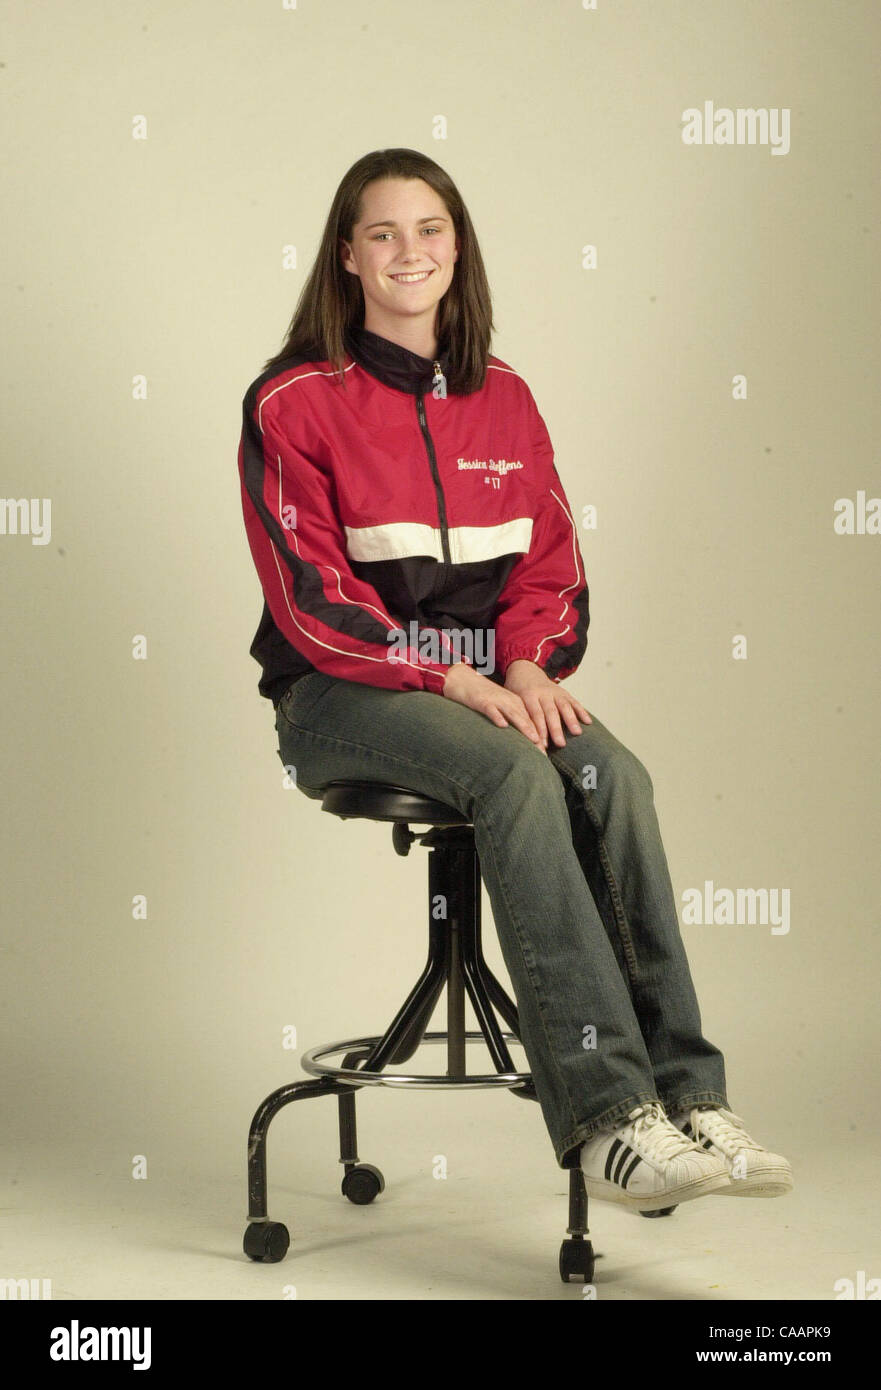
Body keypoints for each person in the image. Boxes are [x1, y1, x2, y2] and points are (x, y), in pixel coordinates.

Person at [237, 147, 793, 1213]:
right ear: (346, 256)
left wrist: (527, 663)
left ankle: (686, 1098)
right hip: (341, 697)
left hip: (491, 686)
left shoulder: (507, 398)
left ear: (458, 247)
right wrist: (452, 682)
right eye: (383, 232)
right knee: (514, 774)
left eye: (430, 229)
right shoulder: (293, 400)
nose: (411, 251)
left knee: (611, 775)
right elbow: (312, 598)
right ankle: (604, 1116)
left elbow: (550, 569)